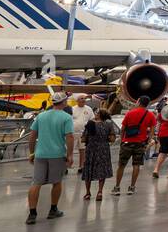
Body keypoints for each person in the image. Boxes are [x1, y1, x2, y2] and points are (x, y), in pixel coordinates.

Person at [25, 93, 75, 224]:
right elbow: (69, 137)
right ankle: (53, 210)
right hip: (57, 155)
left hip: (40, 154)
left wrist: (32, 153)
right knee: (57, 182)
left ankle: (32, 214)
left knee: (36, 183)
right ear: (63, 102)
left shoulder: (41, 116)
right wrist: (70, 155)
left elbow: (32, 136)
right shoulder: (67, 117)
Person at [114, 95, 156, 195]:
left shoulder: (130, 113)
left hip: (127, 142)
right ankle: (132, 187)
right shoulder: (150, 115)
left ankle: (117, 187)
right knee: (136, 165)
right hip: (140, 143)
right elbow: (152, 131)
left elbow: (123, 128)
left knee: (121, 165)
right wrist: (148, 141)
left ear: (138, 102)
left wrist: (122, 140)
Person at [80, 107, 115, 201]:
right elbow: (112, 139)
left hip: (91, 149)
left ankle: (87, 193)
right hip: (103, 149)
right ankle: (99, 192)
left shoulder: (90, 124)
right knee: (102, 170)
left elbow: (83, 139)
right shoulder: (109, 125)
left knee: (88, 169)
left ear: (99, 115)